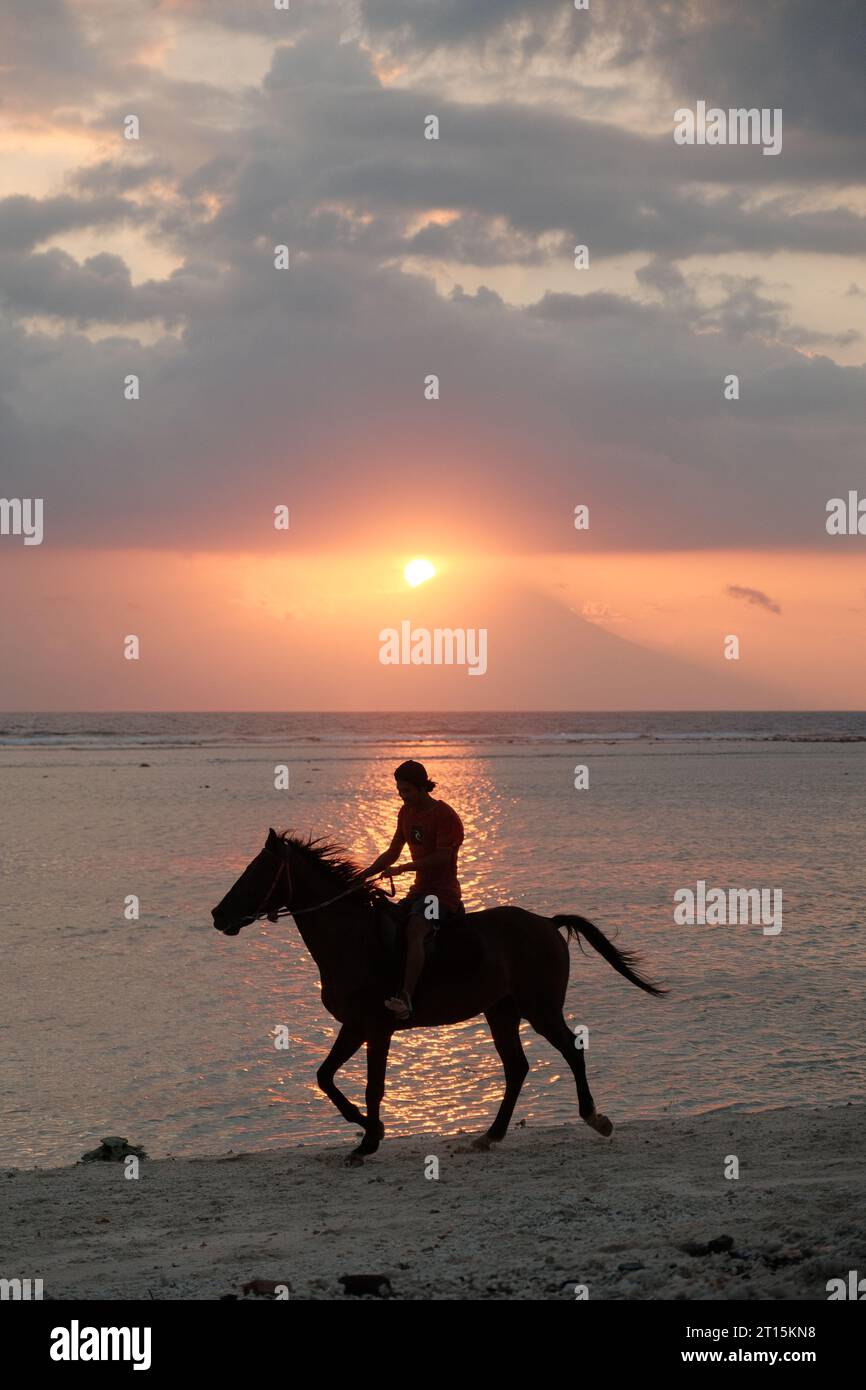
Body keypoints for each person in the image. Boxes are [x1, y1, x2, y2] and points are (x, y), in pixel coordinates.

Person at [361, 760, 464, 1021]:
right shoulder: (404, 813)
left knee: (417, 927)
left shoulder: (445, 816)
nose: (401, 795)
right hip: (418, 892)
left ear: (422, 788)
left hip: (442, 894)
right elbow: (393, 852)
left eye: (406, 790)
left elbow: (442, 857)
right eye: (399, 790)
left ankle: (406, 996)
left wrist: (405, 868)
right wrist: (362, 876)